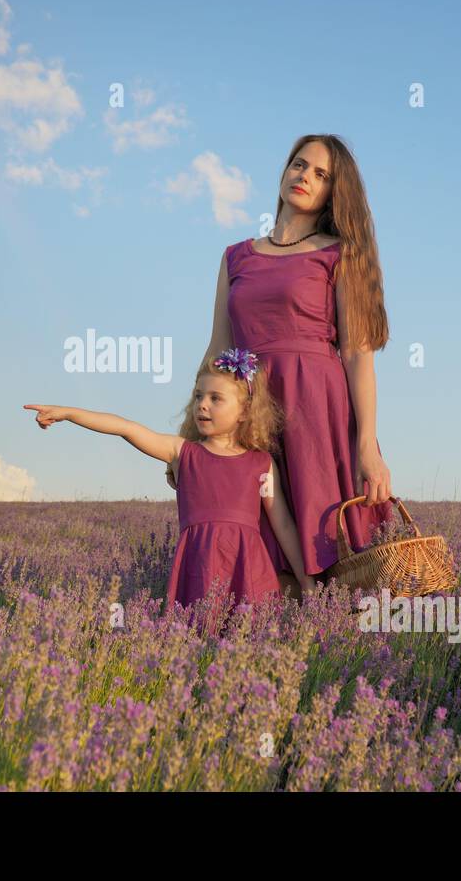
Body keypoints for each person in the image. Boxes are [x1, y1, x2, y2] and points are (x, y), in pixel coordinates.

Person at [170, 134, 397, 592]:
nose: (304, 177)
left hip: (316, 407)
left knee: (325, 535)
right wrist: (190, 431)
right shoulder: (236, 256)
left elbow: (356, 353)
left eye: (320, 174)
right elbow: (218, 344)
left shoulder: (339, 253)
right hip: (248, 407)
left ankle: (337, 643)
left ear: (334, 192)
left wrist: (367, 443)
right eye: (299, 164)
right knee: (254, 528)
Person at [24, 347, 316, 627]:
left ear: (244, 411)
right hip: (199, 566)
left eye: (216, 398)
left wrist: (306, 582)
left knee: (251, 641)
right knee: (196, 640)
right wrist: (67, 412)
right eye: (199, 396)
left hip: (248, 568)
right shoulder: (182, 453)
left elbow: (284, 527)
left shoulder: (260, 464)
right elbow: (126, 427)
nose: (202, 404)